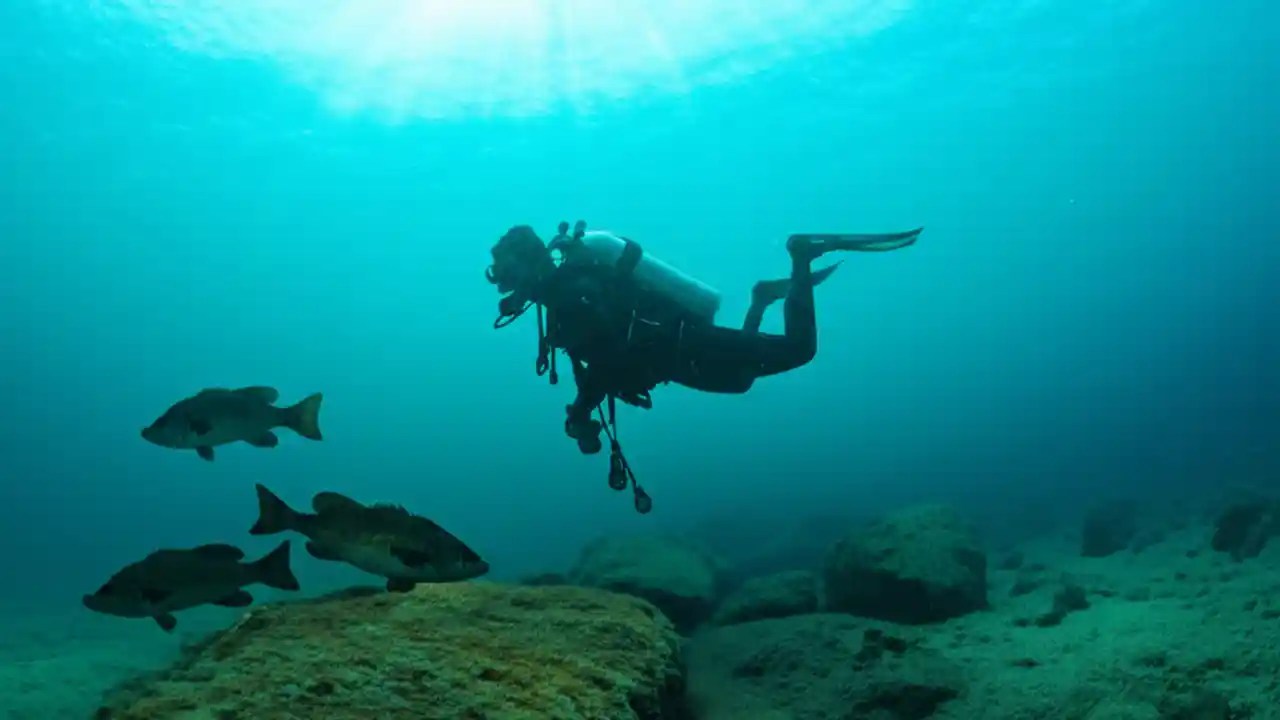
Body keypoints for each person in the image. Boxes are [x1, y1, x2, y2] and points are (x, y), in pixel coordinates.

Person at [485, 220, 921, 511]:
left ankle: (801, 255)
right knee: (741, 382)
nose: (505, 282)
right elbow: (603, 357)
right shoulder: (565, 295)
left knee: (798, 350)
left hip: (686, 348)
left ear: (528, 263)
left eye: (508, 270)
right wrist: (582, 409)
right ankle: (762, 297)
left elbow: (605, 360)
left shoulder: (571, 294)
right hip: (679, 359)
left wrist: (581, 411)